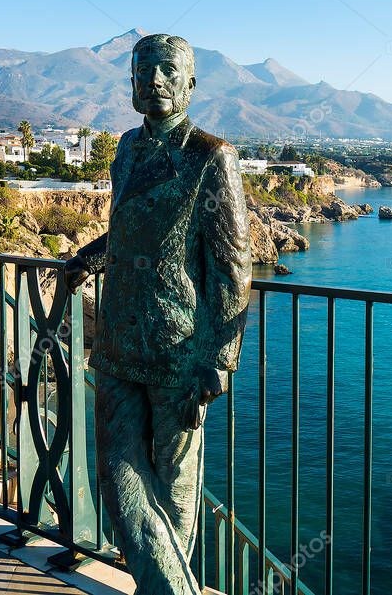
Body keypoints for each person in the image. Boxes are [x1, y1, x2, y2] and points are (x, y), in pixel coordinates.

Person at [64, 33, 251, 595]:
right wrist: (88, 257)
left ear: (190, 84)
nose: (155, 79)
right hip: (119, 340)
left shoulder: (210, 156)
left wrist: (220, 358)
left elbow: (232, 265)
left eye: (168, 69)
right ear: (131, 83)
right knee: (118, 474)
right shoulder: (124, 147)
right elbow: (127, 227)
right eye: (143, 69)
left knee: (176, 493)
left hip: (179, 348)